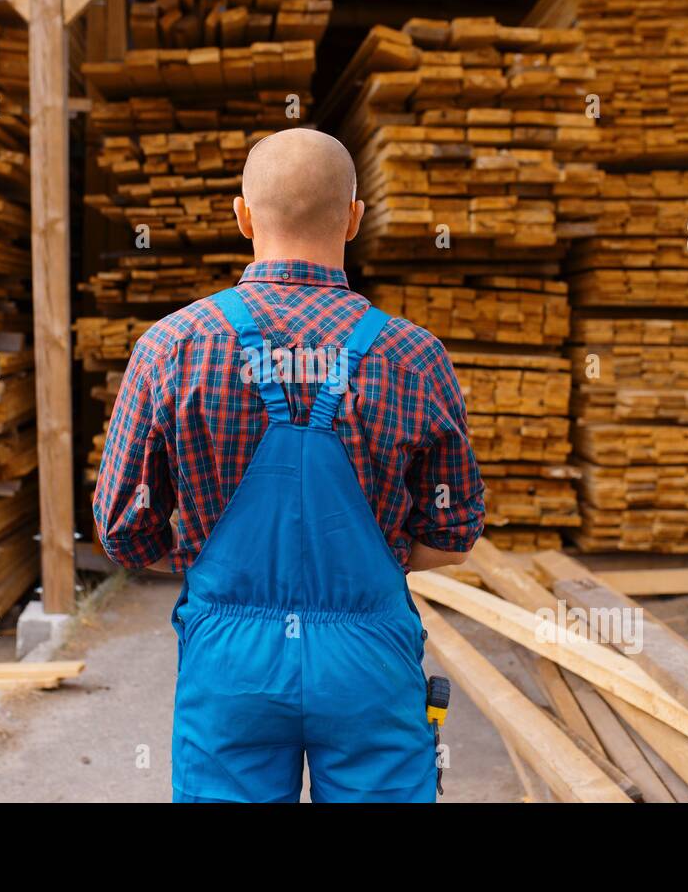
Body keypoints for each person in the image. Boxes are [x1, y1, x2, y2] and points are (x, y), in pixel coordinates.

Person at [93, 127, 485, 802]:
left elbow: (123, 530)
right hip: (368, 663)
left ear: (242, 216)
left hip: (230, 665)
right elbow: (452, 538)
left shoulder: (170, 347)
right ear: (355, 218)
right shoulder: (415, 357)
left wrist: (211, 563)